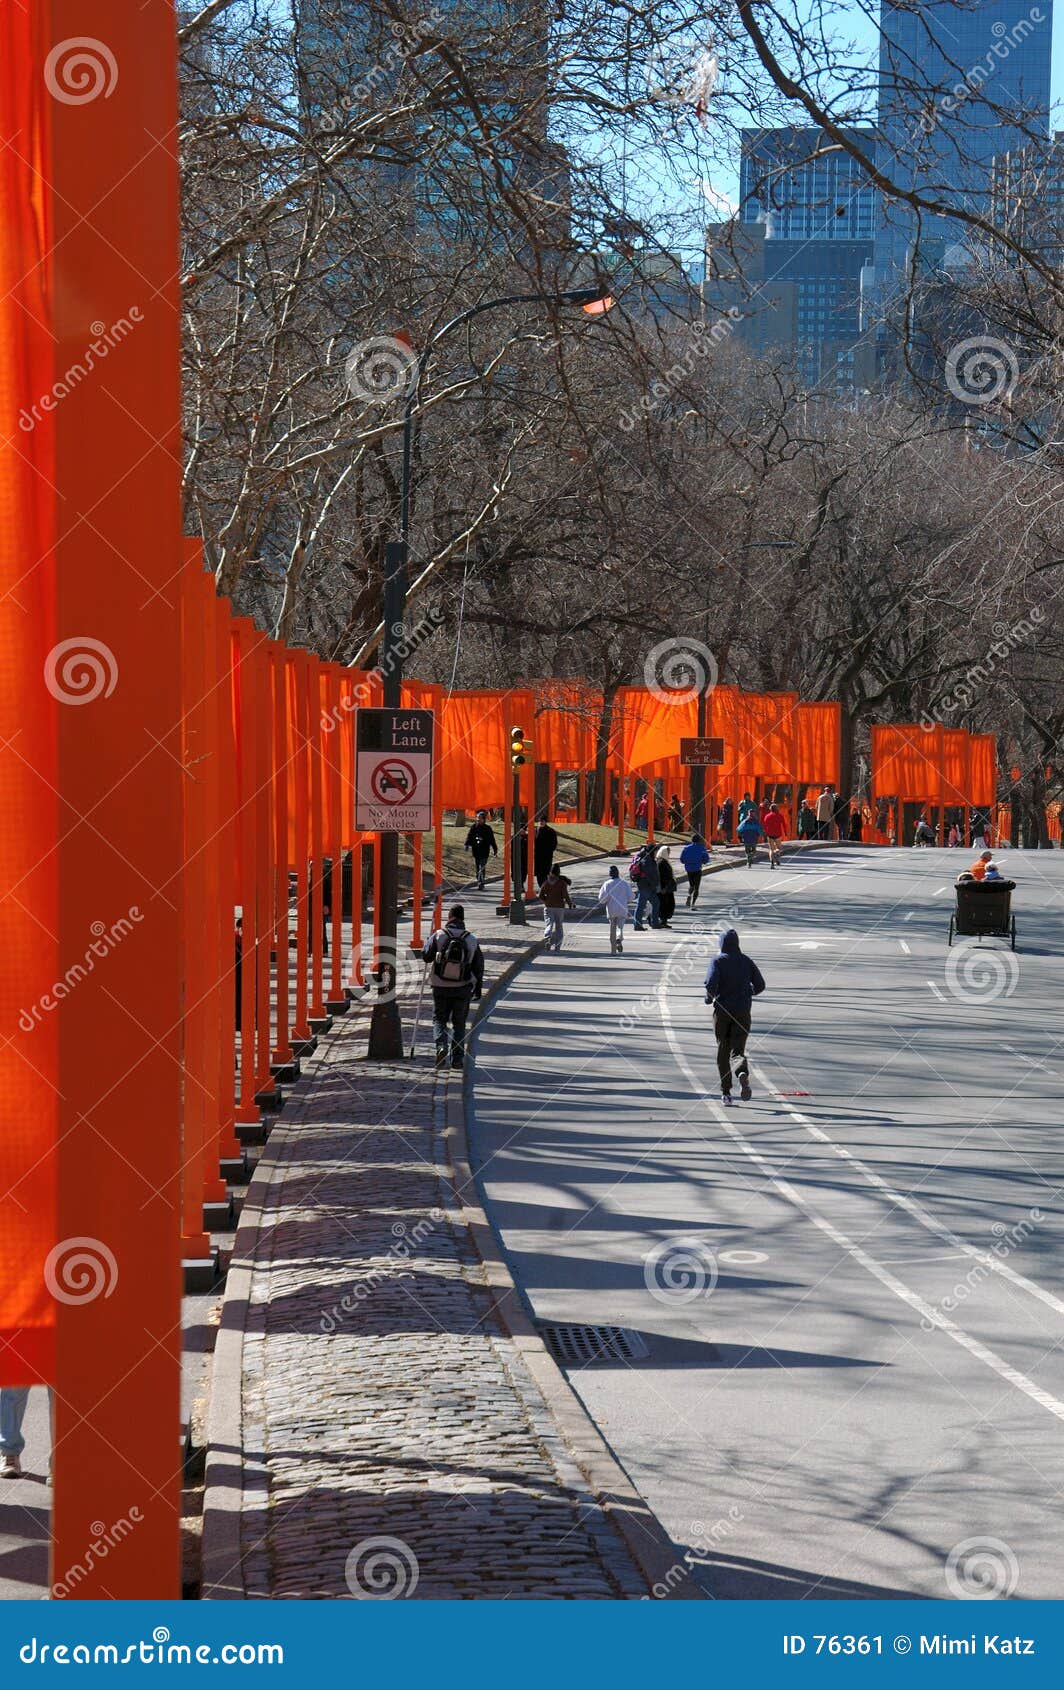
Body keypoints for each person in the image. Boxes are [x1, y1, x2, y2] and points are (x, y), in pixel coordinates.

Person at [704, 928, 766, 1106]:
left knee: (723, 1049)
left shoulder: (717, 961)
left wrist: (709, 998)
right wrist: (748, 993)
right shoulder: (745, 961)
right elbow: (760, 985)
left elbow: (711, 984)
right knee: (737, 1050)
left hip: (723, 1011)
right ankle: (741, 1073)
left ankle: (726, 1092)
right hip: (743, 1011)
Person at [421, 904, 484, 1069]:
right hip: (463, 987)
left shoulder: (439, 935)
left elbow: (426, 957)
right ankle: (457, 1059)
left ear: (449, 917)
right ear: (463, 919)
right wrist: (477, 989)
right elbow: (478, 967)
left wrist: (429, 941)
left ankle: (441, 1046)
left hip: (439, 985)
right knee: (459, 1023)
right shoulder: (471, 939)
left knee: (439, 1019)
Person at [539, 865, 573, 951]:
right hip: (560, 907)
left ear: (550, 872)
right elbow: (565, 895)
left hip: (548, 906)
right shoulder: (562, 883)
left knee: (549, 923)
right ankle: (557, 947)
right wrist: (570, 904)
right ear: (559, 872)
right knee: (559, 927)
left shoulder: (546, 882)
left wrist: (547, 900)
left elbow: (540, 895)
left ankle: (547, 936)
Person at [598, 864, 630, 954]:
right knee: (620, 927)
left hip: (611, 909)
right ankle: (619, 938)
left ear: (610, 874)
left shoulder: (607, 884)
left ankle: (613, 950)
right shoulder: (624, 883)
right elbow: (631, 896)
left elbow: (602, 899)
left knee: (612, 928)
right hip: (622, 908)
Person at [630, 842, 661, 930]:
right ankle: (638, 925)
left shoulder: (646, 858)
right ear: (652, 851)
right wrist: (654, 884)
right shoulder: (647, 860)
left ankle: (654, 923)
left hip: (647, 885)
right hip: (646, 885)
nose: (656, 853)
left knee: (655, 903)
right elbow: (650, 874)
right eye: (656, 851)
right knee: (641, 905)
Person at [464, 810, 498, 889]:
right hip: (476, 851)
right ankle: (479, 880)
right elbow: (469, 836)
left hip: (484, 851)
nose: (478, 819)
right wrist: (466, 844)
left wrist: (495, 849)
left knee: (482, 867)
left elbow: (492, 840)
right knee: (477, 867)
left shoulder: (488, 828)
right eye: (477, 818)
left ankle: (481, 883)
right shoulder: (473, 827)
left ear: (483, 819)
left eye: (479, 818)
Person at [680, 834, 711, 906]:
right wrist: (703, 861)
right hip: (697, 869)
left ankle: (689, 895)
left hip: (688, 869)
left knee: (691, 885)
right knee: (696, 887)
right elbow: (706, 859)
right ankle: (693, 904)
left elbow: (682, 859)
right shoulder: (702, 848)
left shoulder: (686, 848)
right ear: (699, 840)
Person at [533, 817, 558, 887]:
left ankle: (545, 887)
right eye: (539, 821)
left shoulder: (551, 831)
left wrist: (549, 851)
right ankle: (541, 886)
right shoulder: (536, 831)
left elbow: (554, 843)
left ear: (545, 822)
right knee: (538, 873)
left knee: (545, 872)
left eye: (542, 821)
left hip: (547, 855)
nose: (541, 822)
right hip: (538, 855)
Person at [760, 801, 786, 869]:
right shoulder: (780, 815)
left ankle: (772, 862)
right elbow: (783, 824)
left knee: (771, 849)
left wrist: (764, 832)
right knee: (779, 848)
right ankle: (776, 856)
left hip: (769, 834)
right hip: (778, 834)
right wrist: (785, 832)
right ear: (776, 809)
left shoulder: (767, 816)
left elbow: (764, 825)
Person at [656, 847, 677, 927]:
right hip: (664, 887)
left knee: (668, 904)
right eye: (668, 852)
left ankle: (664, 921)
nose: (669, 853)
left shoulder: (664, 861)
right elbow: (662, 876)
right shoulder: (661, 862)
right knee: (665, 904)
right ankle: (662, 921)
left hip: (667, 887)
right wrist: (664, 887)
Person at [511, 823, 529, 898]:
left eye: (523, 830)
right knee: (515, 872)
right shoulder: (514, 837)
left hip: (524, 858)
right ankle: (518, 886)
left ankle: (521, 885)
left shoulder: (527, 838)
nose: (521, 831)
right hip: (515, 858)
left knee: (523, 872)